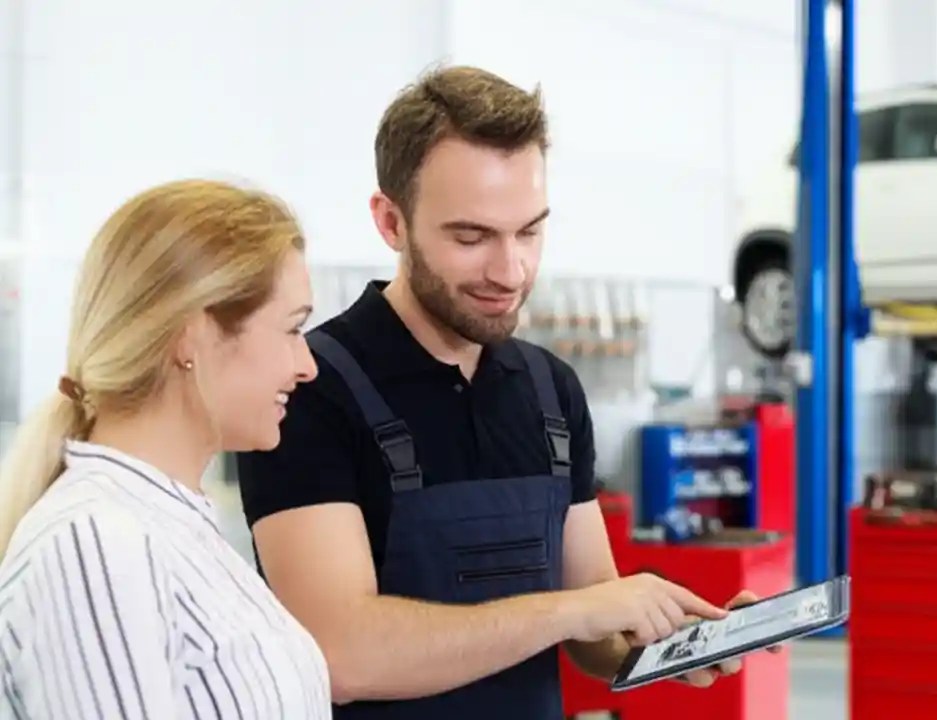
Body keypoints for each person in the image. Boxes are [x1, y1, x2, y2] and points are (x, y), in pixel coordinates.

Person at [235, 65, 774, 719]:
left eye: (529, 231)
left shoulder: (551, 393)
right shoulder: (310, 390)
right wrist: (571, 609)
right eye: (471, 237)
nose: (509, 269)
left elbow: (596, 636)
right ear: (390, 221)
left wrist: (681, 642)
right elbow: (341, 654)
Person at [0, 179, 332, 719]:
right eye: (293, 329)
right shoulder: (96, 544)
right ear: (191, 336)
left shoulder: (167, 525)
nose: (307, 365)